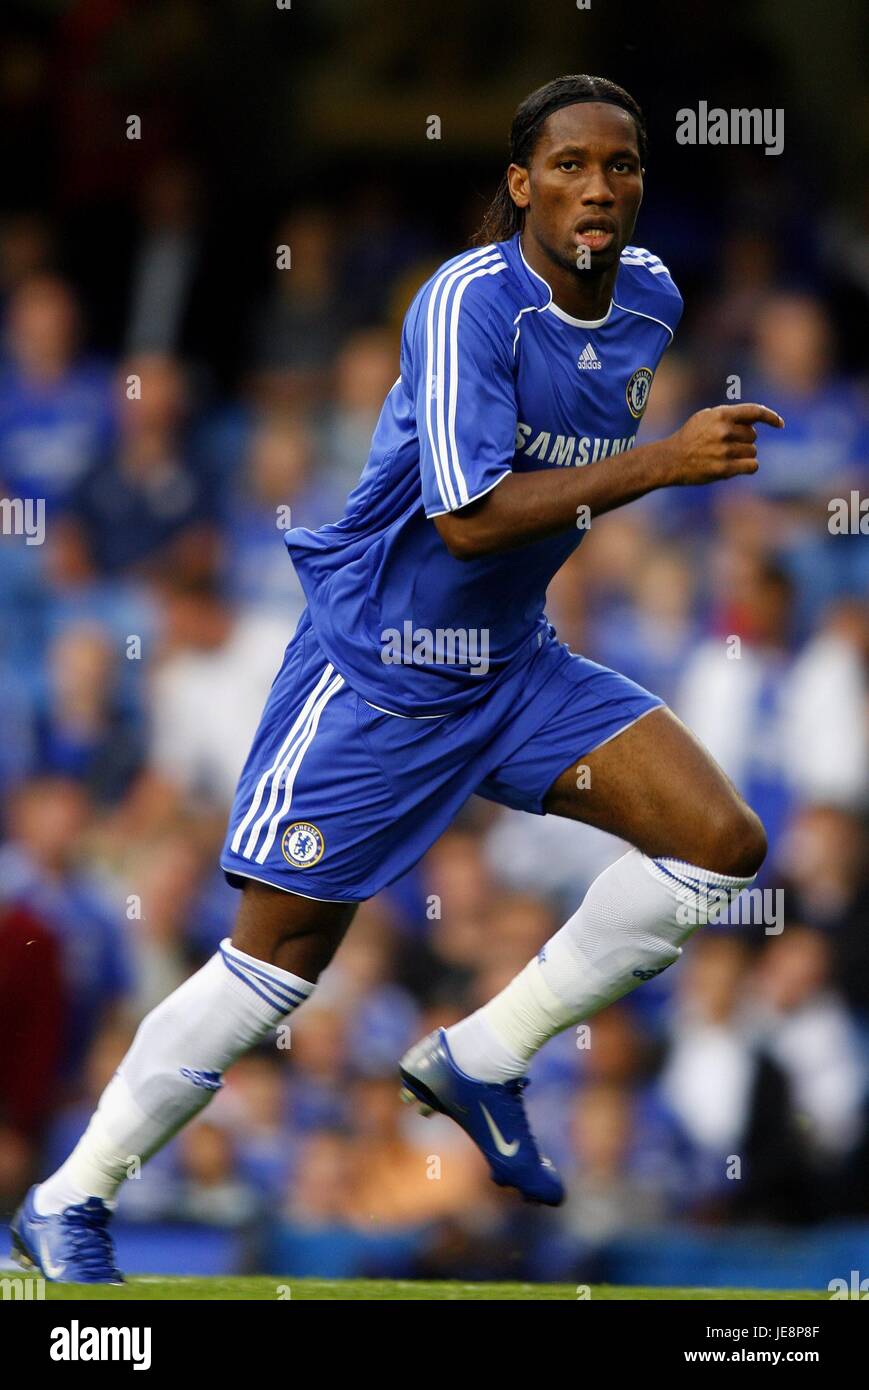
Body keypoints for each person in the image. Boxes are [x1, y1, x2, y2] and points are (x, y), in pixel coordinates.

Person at [13, 74, 782, 1283]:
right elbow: (468, 519)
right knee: (272, 967)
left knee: (719, 843)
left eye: (621, 165)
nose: (598, 187)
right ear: (521, 185)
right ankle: (69, 1199)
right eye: (570, 164)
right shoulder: (461, 305)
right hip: (378, 674)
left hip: (515, 667)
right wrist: (661, 465)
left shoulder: (650, 298)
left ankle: (483, 1051)